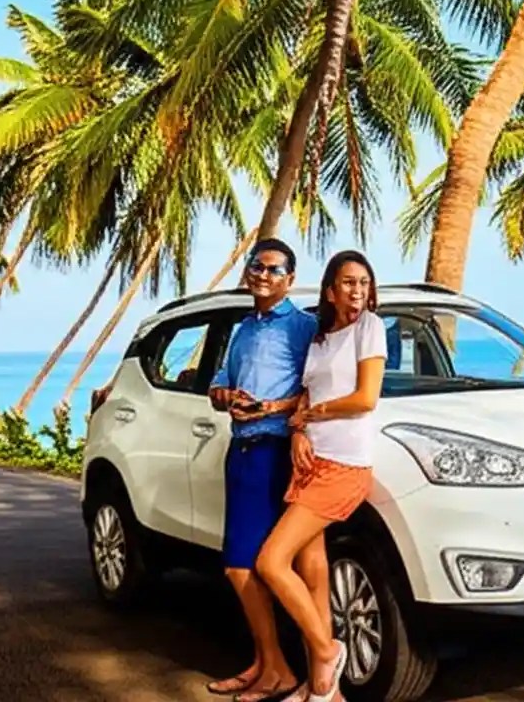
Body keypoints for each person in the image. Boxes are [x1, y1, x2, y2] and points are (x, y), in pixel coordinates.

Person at [255, 250, 387, 702]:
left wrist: (315, 413)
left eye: (364, 283)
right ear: (330, 290)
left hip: (344, 465)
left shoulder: (369, 328)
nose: (358, 291)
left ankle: (328, 650)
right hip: (311, 462)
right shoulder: (321, 338)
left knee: (271, 561)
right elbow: (306, 394)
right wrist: (297, 430)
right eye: (349, 283)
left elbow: (366, 398)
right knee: (313, 574)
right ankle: (323, 691)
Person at [206, 238, 318, 702]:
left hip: (276, 450)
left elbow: (318, 390)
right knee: (242, 566)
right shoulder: (243, 329)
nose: (263, 275)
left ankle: (280, 669)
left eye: (274, 270)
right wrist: (228, 397)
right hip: (242, 450)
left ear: (289, 280)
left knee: (247, 566)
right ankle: (265, 664)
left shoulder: (304, 326)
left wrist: (273, 406)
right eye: (257, 266)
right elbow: (217, 382)